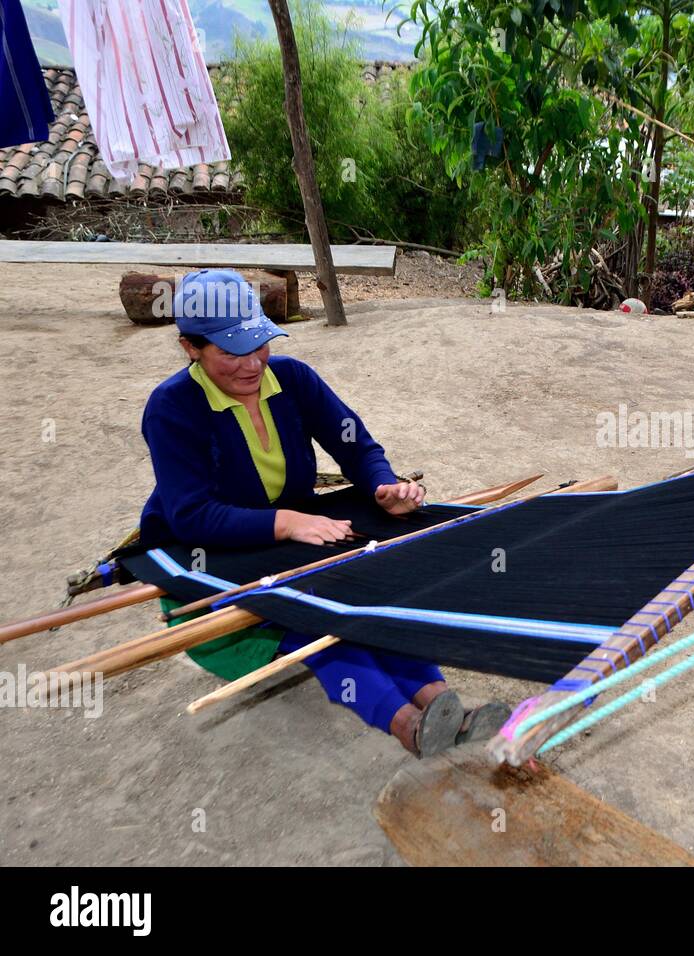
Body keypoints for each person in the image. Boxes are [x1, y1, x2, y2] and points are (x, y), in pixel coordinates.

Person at [140, 269, 507, 757]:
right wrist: (290, 522)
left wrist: (383, 487)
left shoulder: (291, 379)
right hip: (207, 550)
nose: (252, 364)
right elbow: (192, 515)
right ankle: (408, 727)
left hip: (287, 528)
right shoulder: (171, 409)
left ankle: (443, 704)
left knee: (369, 587)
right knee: (314, 613)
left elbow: (355, 445)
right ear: (191, 347)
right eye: (231, 352)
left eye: (258, 344)